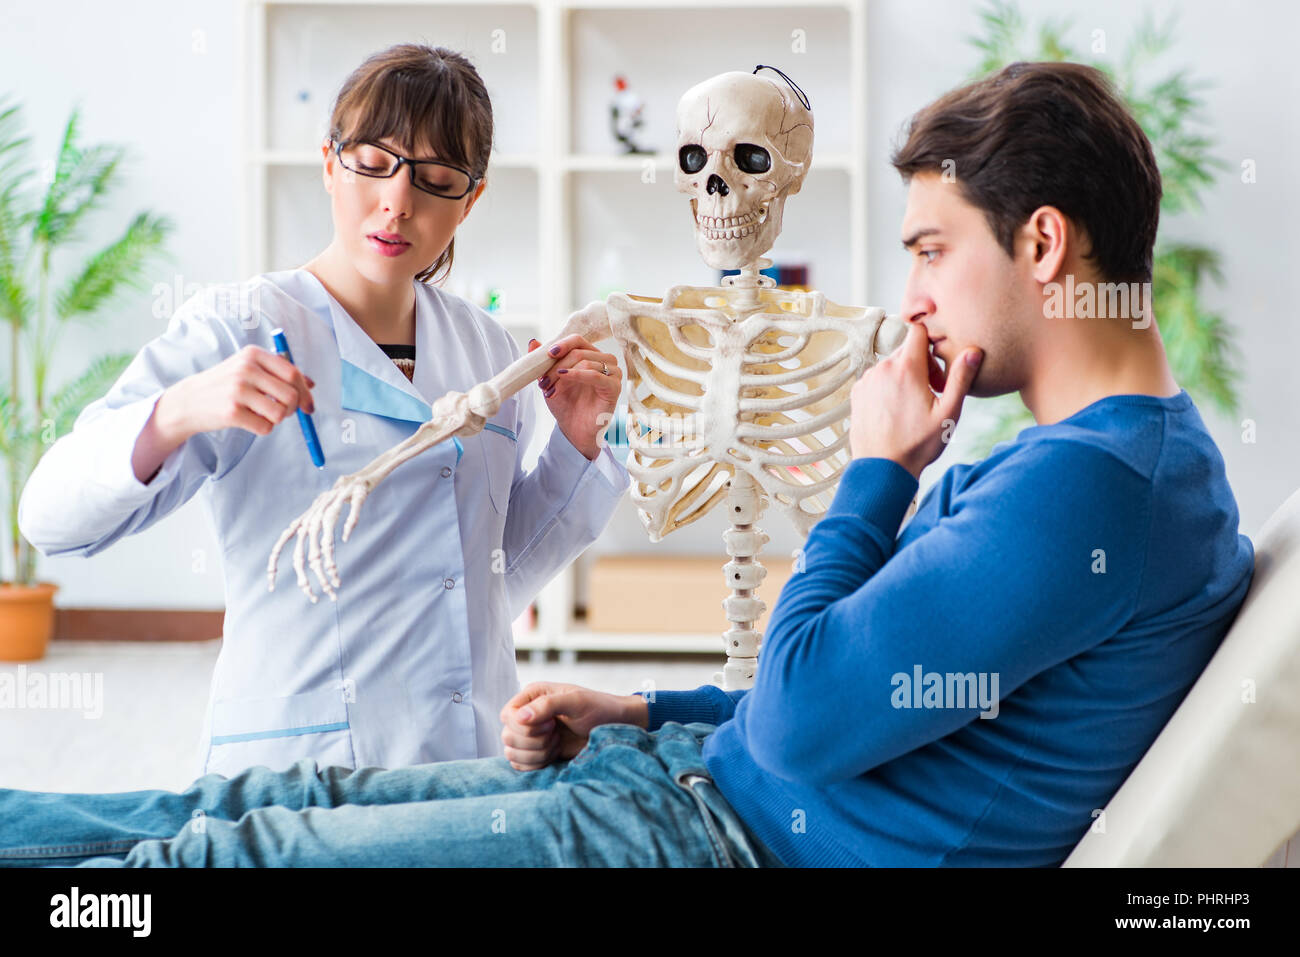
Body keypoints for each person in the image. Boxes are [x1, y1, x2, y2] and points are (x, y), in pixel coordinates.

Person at [1, 61, 1255, 868]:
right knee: (249, 811)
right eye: (372, 164)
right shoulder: (1113, 467)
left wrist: (876, 475)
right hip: (679, 778)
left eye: (930, 249)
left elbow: (813, 709)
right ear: (333, 164)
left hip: (692, 832)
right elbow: (847, 700)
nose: (913, 291)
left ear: (1042, 245)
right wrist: (649, 707)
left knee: (237, 857)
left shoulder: (1084, 489)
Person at [16, 44, 629, 780]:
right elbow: (48, 518)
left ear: (471, 199)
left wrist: (576, 443)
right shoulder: (237, 327)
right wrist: (174, 412)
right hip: (299, 770)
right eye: (374, 162)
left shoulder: (487, 350)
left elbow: (489, 576)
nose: (398, 202)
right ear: (331, 163)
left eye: (436, 180)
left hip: (468, 764)